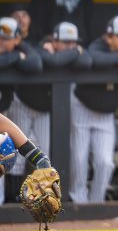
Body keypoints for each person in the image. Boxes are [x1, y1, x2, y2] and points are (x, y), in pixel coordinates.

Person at [71, 16, 118, 203]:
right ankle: (78, 200)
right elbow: (93, 59)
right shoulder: (97, 45)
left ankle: (96, 203)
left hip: (105, 114)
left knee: (105, 162)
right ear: (108, 36)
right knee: (79, 160)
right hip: (83, 108)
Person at [8, 23, 91, 186]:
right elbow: (50, 61)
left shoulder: (74, 54)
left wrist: (71, 52)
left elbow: (85, 61)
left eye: (74, 43)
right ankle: (12, 198)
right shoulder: (40, 49)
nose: (71, 46)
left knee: (43, 154)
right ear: (54, 40)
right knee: (15, 155)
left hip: (44, 109)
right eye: (66, 43)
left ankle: (38, 194)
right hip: (23, 104)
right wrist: (73, 53)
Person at [0, 17, 43, 202]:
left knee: (4, 154)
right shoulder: (17, 54)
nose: (1, 42)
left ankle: (9, 200)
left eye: (5, 38)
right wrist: (16, 57)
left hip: (5, 112)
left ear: (17, 40)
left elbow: (36, 64)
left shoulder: (25, 49)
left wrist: (39, 157)